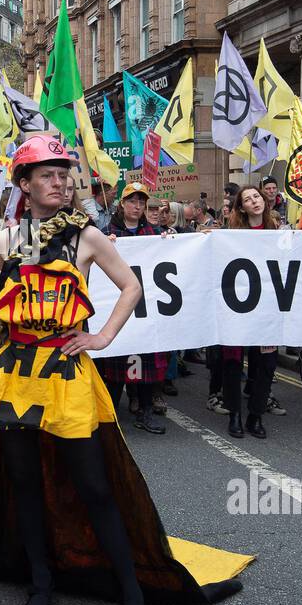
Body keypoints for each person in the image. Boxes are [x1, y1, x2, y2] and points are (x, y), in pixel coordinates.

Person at [0, 135, 248, 605]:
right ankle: (40, 582)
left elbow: (131, 286)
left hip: (66, 373)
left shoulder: (87, 237)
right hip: (13, 374)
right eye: (47, 174)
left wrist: (102, 336)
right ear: (23, 184)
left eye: (64, 174)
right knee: (23, 481)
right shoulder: (6, 240)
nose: (60, 181)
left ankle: (132, 598)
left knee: (95, 486)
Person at [100, 182, 170, 434]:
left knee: (145, 365)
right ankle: (109, 416)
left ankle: (145, 412)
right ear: (122, 203)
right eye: (132, 201)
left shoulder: (153, 232)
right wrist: (104, 243)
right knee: (114, 367)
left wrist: (167, 242)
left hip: (145, 310)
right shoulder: (106, 232)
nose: (137, 206)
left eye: (141, 202)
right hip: (118, 308)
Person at [220, 185, 284, 439]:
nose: (254, 201)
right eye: (247, 199)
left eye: (256, 196)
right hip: (237, 309)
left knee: (265, 364)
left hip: (267, 310)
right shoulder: (232, 235)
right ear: (242, 208)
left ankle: (255, 415)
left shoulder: (277, 232)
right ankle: (234, 413)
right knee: (233, 362)